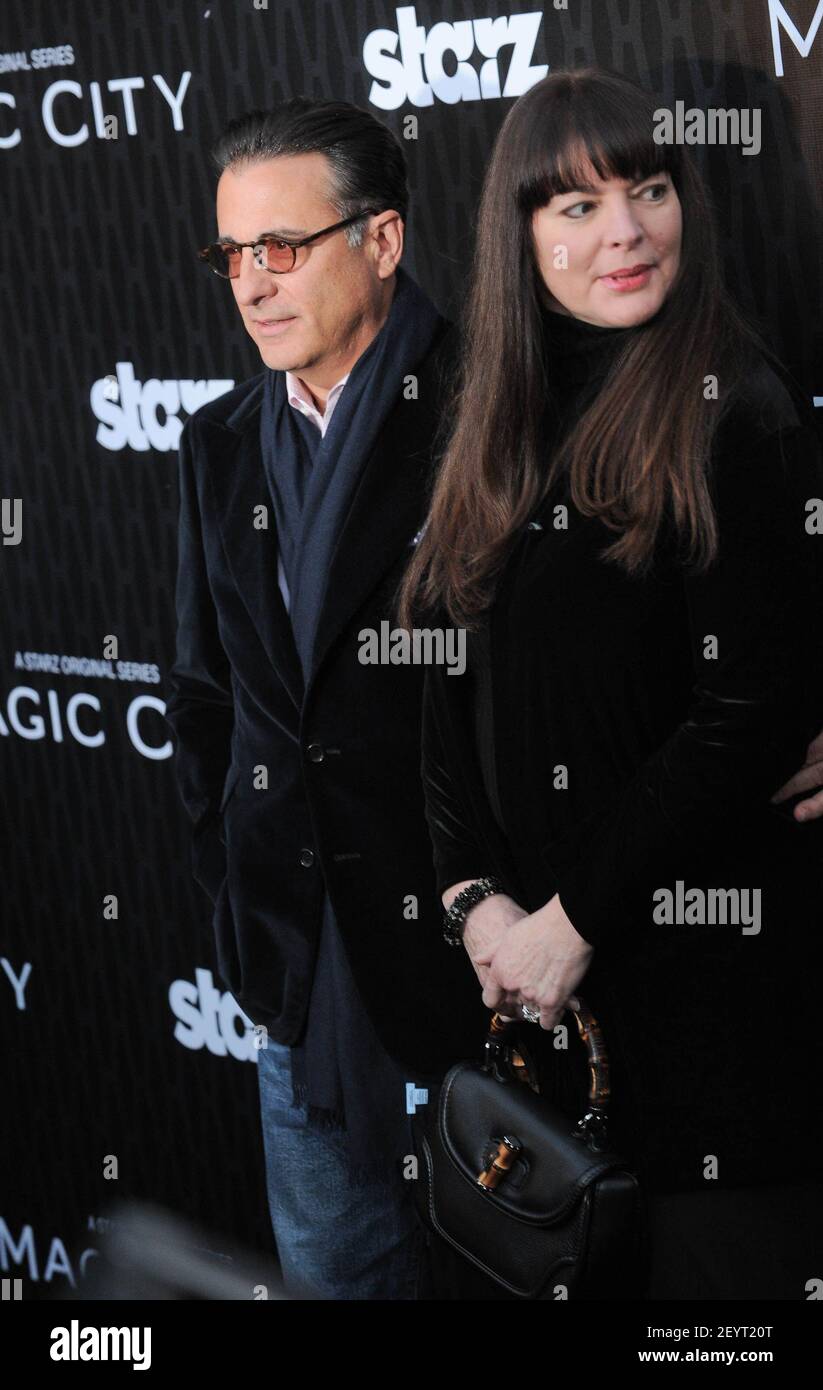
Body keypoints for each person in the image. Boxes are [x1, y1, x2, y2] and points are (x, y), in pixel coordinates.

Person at [397, 66, 823, 1300]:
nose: (624, 230)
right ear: (518, 234)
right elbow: (443, 698)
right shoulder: (498, 424)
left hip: (717, 1037)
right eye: (574, 207)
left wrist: (570, 922)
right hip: (548, 1035)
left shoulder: (735, 415)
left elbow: (742, 719)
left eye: (647, 188)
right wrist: (475, 899)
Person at [163, 97, 489, 1300]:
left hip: (478, 997)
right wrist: (242, 894)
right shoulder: (219, 444)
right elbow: (205, 696)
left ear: (384, 240)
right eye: (233, 253)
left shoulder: (492, 413)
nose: (253, 283)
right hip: (299, 998)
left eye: (284, 246)